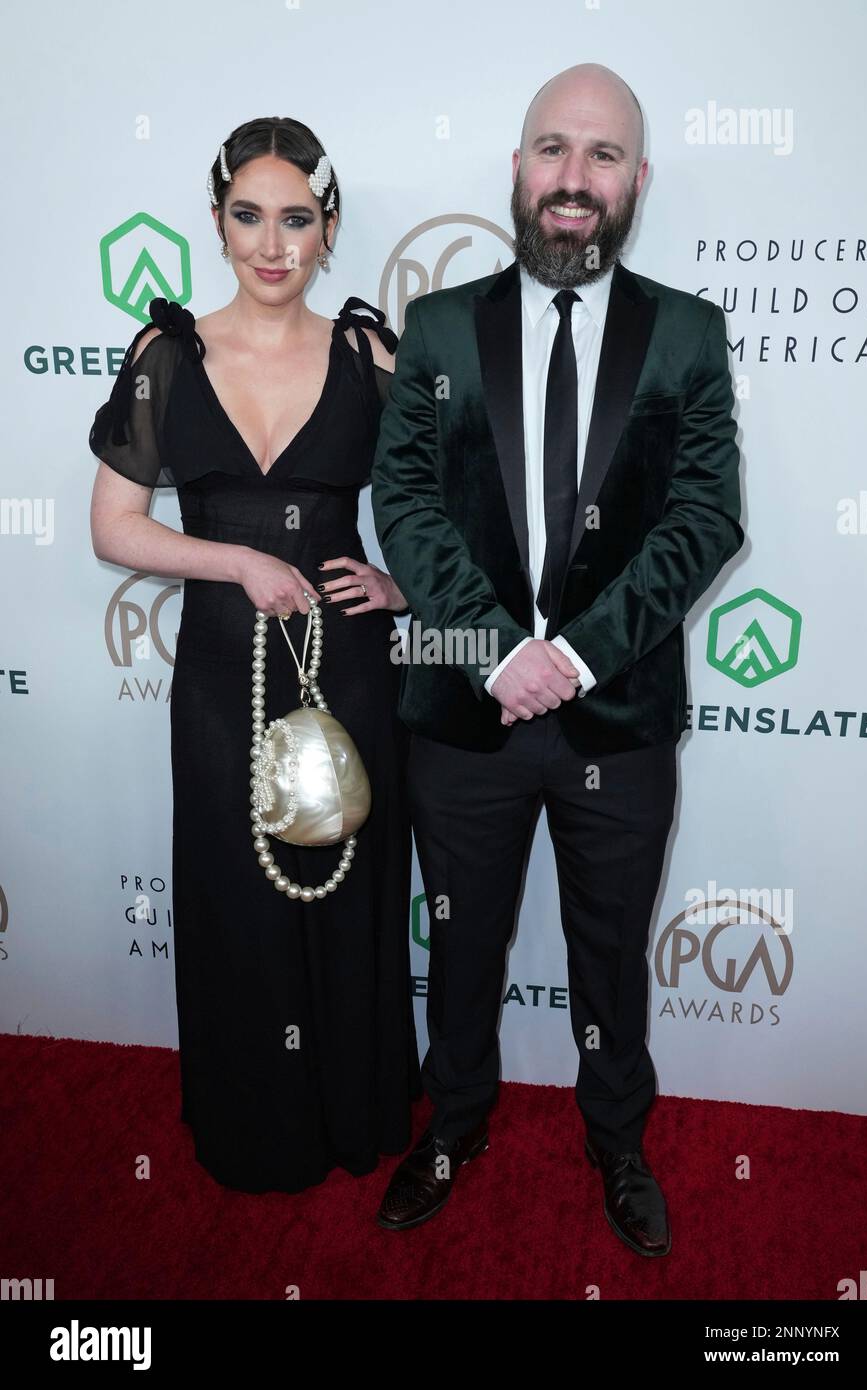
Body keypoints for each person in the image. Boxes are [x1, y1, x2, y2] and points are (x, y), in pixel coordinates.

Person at [371, 64, 744, 1255]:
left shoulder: (686, 332)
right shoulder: (436, 329)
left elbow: (704, 518)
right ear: (517, 169)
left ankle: (617, 1141)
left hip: (616, 717)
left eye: (601, 155)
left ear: (636, 180)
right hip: (462, 711)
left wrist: (572, 658)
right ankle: (454, 1123)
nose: (572, 180)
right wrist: (495, 653)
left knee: (608, 948)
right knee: (461, 936)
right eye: (552, 150)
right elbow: (407, 501)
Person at [88, 117, 421, 1194]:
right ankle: (256, 1125)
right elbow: (115, 526)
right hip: (223, 676)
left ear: (329, 228)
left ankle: (347, 1108)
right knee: (238, 892)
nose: (270, 245)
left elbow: (460, 510)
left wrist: (402, 582)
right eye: (247, 216)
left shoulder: (372, 353)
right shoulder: (165, 355)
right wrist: (233, 558)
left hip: (348, 666)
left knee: (343, 879)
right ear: (218, 217)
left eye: (296, 219)